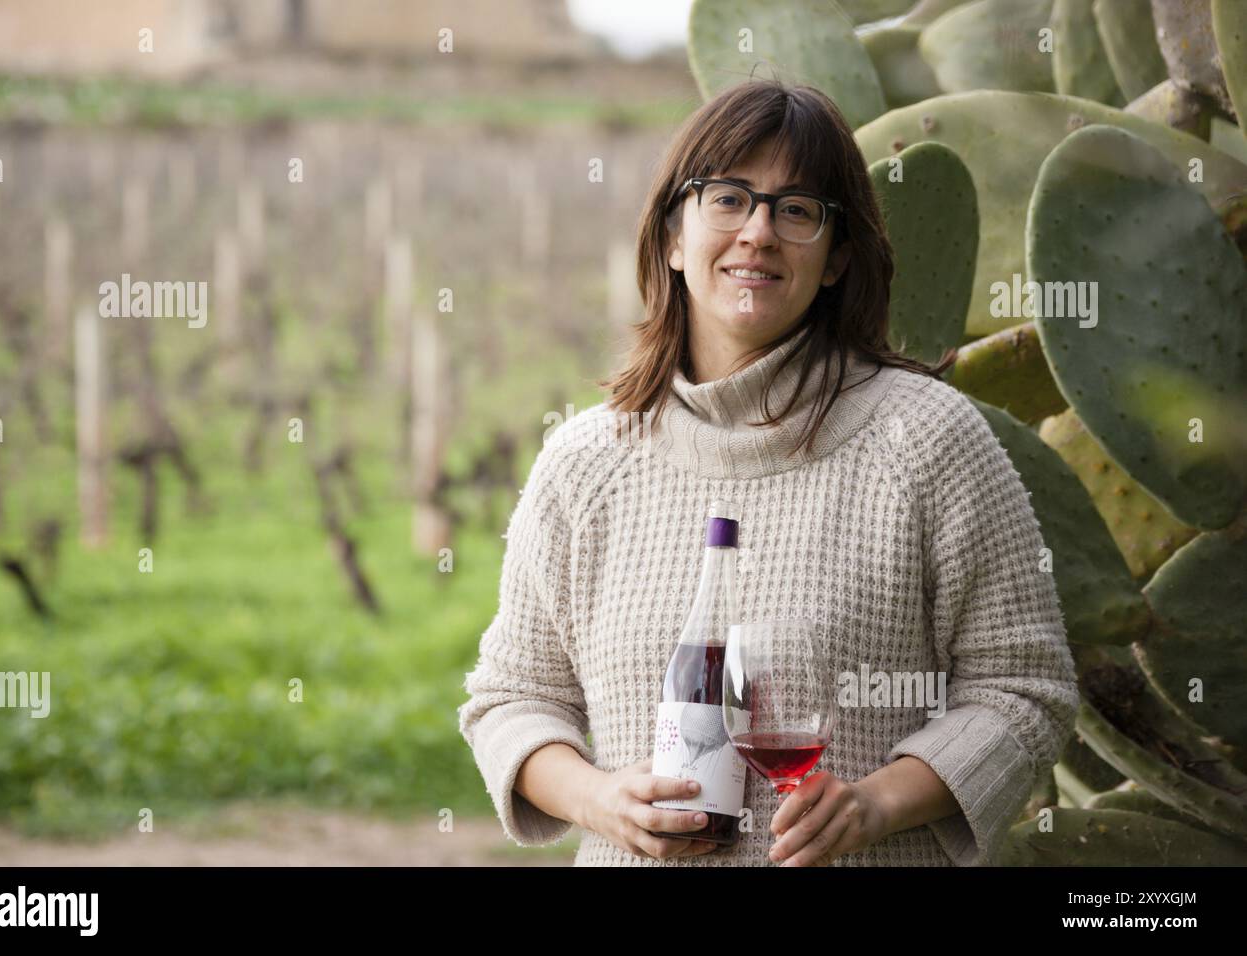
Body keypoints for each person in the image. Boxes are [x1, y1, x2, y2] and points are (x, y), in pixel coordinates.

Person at [457, 80, 1079, 866]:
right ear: (674, 238)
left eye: (796, 210)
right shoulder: (585, 463)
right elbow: (511, 701)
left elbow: (1023, 692)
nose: (758, 232)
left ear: (835, 258)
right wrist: (599, 801)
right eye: (728, 198)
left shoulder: (928, 439)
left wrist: (873, 805)